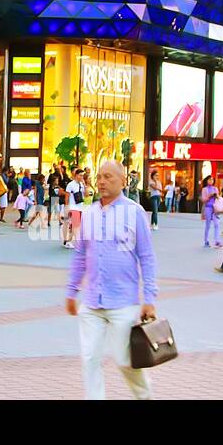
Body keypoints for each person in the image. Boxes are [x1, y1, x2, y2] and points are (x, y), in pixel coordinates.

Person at [64, 160, 157, 400]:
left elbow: (146, 256)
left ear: (123, 181)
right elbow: (80, 255)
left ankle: (144, 396)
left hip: (123, 302)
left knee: (125, 360)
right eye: (99, 177)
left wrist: (149, 298)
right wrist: (72, 291)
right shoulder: (89, 212)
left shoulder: (134, 211)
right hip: (92, 301)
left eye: (109, 177)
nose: (102, 181)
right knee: (90, 359)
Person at [63, 171, 86, 249]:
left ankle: (68, 241)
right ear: (76, 175)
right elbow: (67, 197)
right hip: (73, 208)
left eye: (82, 176)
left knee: (75, 226)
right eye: (80, 175)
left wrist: (85, 185)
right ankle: (77, 243)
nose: (81, 177)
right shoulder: (70, 185)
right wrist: (67, 208)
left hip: (80, 207)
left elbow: (85, 195)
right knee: (76, 226)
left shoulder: (81, 184)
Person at [200, 175, 221, 248]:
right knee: (208, 225)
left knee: (217, 224)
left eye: (212, 180)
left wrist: (216, 196)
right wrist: (209, 196)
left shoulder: (216, 188)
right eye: (209, 180)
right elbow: (203, 200)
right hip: (208, 208)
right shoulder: (204, 189)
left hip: (215, 208)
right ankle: (206, 240)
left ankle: (217, 241)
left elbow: (218, 198)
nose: (211, 181)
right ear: (206, 181)